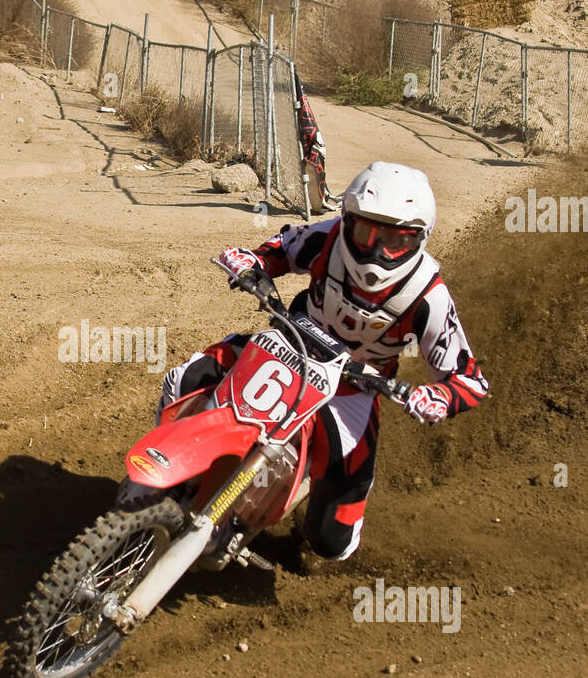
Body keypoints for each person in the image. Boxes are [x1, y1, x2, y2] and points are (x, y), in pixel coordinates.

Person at [157, 162, 488, 569]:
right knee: (186, 379)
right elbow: (275, 251)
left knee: (331, 540)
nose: (376, 251)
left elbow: (469, 379)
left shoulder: (429, 295)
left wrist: (433, 395)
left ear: (419, 239)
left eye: (395, 241)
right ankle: (173, 482)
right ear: (348, 222)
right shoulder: (327, 237)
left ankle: (294, 507)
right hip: (289, 346)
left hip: (354, 389)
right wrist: (249, 263)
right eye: (366, 233)